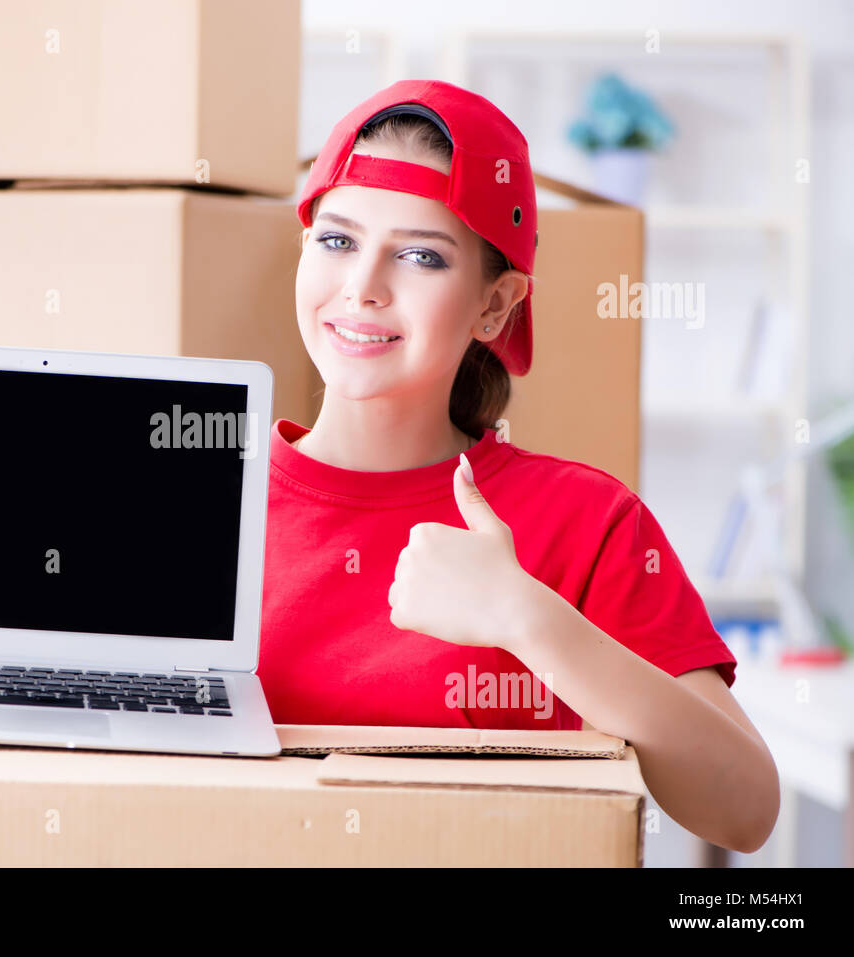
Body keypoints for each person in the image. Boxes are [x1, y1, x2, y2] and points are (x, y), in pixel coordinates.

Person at [258, 79, 779, 854]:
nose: (361, 288)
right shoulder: (204, 500)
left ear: (494, 306)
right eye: (336, 240)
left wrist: (526, 619)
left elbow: (745, 808)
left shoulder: (588, 522)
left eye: (420, 256)